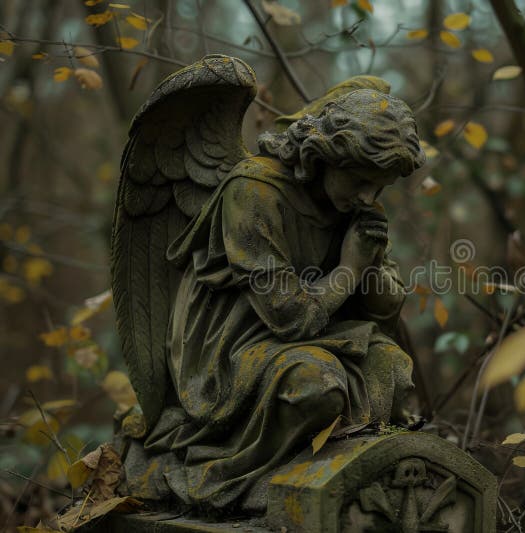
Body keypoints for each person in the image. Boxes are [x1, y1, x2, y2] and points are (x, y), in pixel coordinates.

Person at [121, 88, 426, 511]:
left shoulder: (354, 206)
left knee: (392, 370)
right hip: (234, 347)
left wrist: (369, 263)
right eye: (359, 180)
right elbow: (288, 316)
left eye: (380, 187)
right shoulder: (253, 190)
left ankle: (323, 469)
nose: (367, 198)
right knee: (315, 390)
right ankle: (239, 477)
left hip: (319, 333)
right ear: (323, 156)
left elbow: (385, 310)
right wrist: (349, 270)